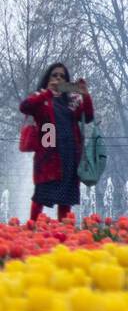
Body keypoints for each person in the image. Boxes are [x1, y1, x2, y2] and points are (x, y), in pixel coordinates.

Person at [19, 63, 94, 222]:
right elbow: (25, 107)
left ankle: (64, 234)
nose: (59, 78)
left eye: (62, 76)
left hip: (70, 153)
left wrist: (85, 94)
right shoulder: (41, 96)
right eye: (55, 75)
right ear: (48, 78)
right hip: (48, 153)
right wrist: (47, 92)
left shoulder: (72, 100)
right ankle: (31, 230)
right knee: (41, 195)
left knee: (65, 199)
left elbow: (88, 117)